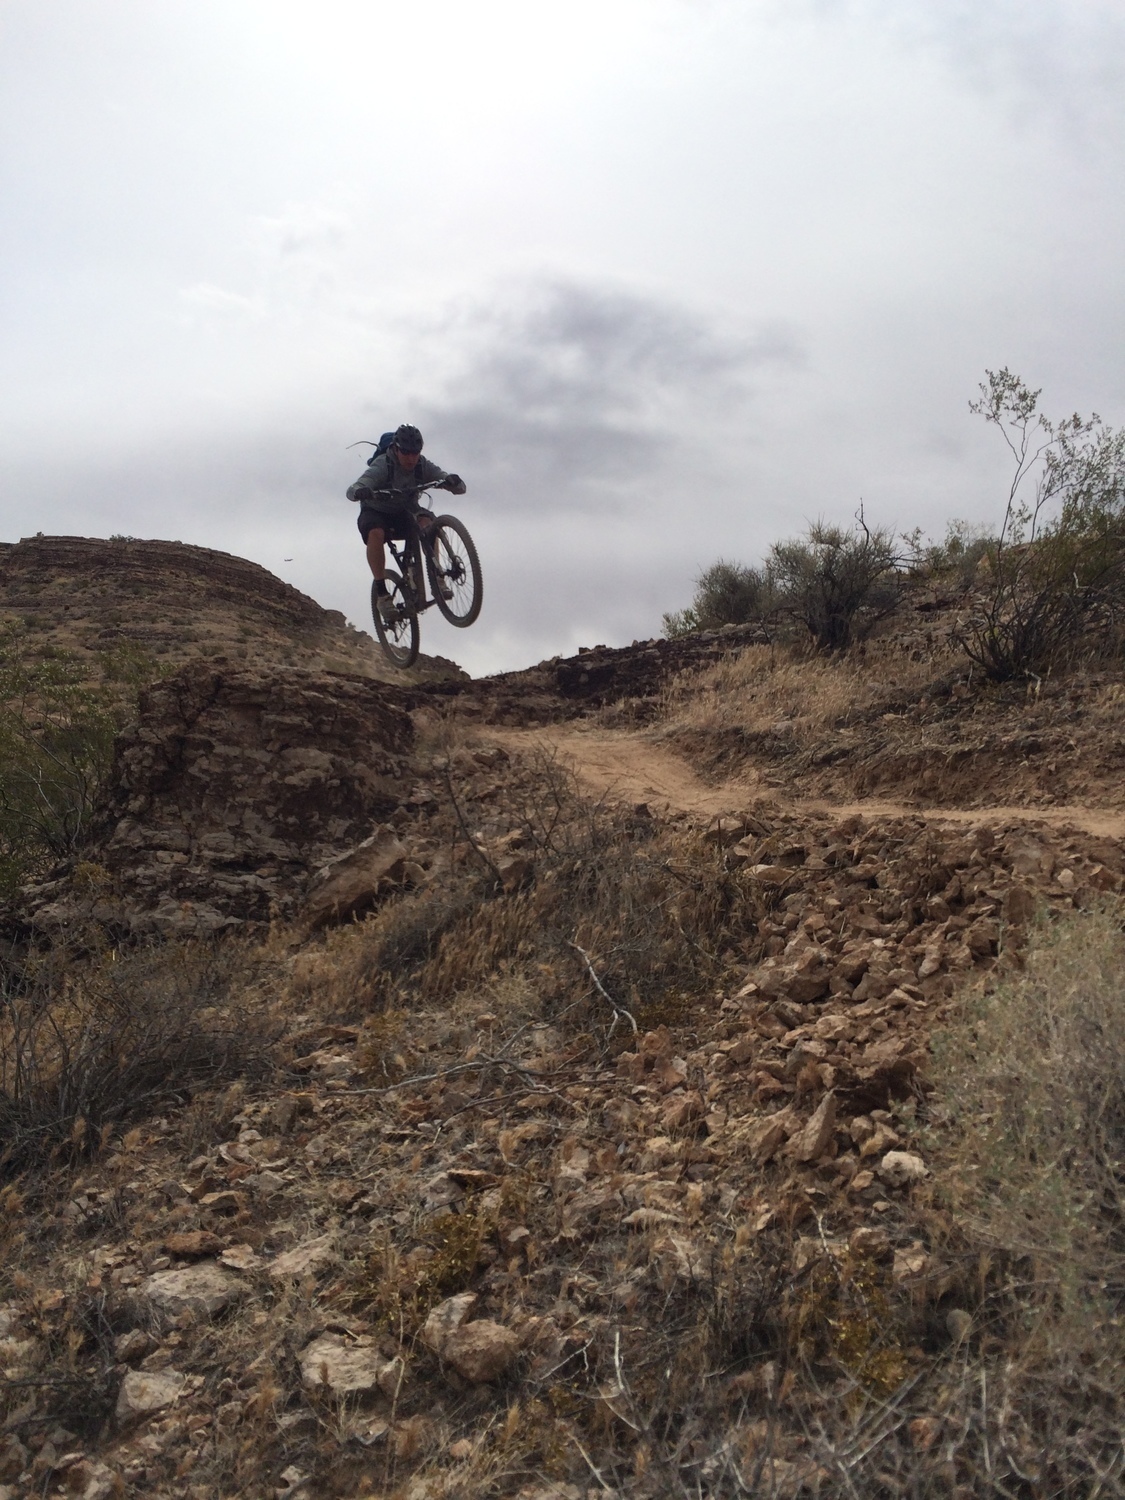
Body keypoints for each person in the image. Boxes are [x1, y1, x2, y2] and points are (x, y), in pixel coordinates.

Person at [347, 425, 466, 622]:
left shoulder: (422, 464)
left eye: (415, 453)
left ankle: (437, 576)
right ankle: (383, 594)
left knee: (428, 521)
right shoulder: (382, 465)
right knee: (375, 532)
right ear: (395, 449)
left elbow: (456, 485)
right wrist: (361, 491)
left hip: (405, 510)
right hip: (376, 510)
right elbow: (354, 487)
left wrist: (452, 482)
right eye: (406, 453)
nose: (411, 458)